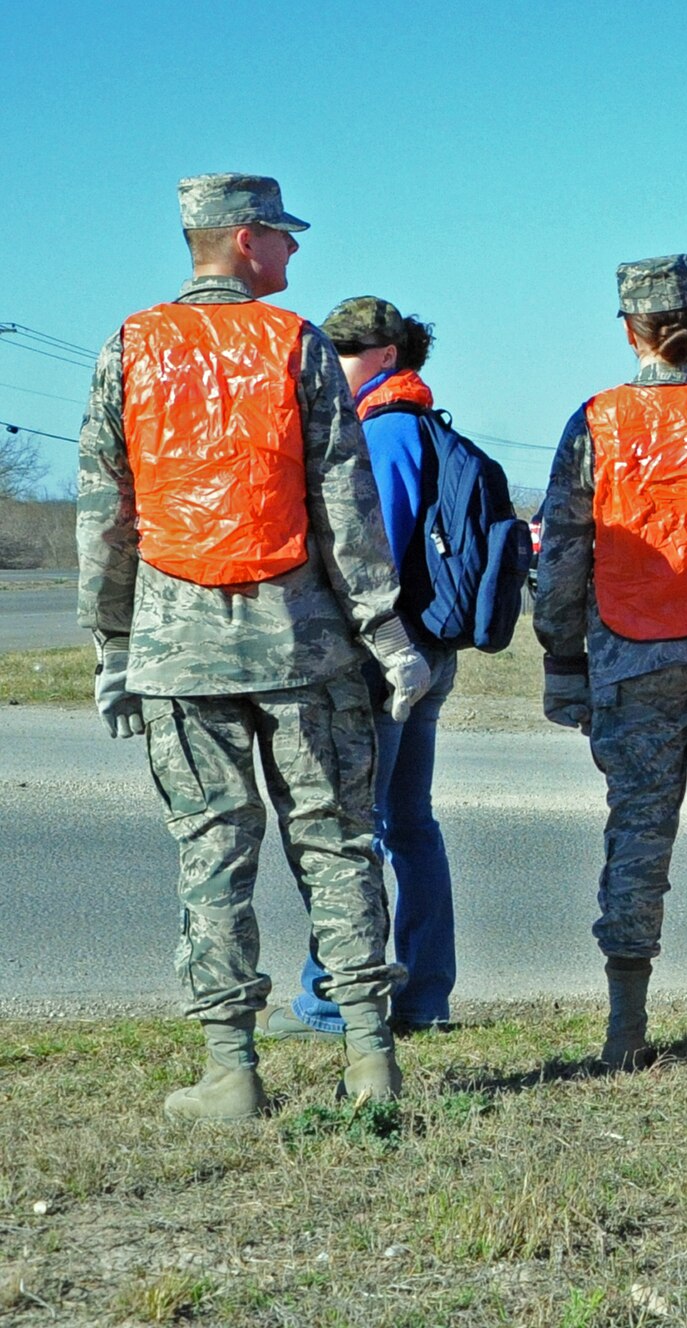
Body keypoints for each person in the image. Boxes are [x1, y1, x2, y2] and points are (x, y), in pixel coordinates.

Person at [76, 173, 427, 1120]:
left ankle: (231, 1070)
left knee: (212, 857)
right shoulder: (297, 345)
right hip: (301, 650)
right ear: (242, 239)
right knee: (338, 845)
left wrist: (114, 644)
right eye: (280, 233)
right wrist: (386, 634)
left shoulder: (129, 346)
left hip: (177, 652)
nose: (292, 248)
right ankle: (370, 1061)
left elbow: (106, 511)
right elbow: (346, 506)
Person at [535, 254, 687, 1072]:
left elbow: (563, 552)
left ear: (628, 329)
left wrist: (560, 657)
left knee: (638, 829)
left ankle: (626, 1030)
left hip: (631, 646)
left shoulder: (595, 422)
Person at [266, 298, 461, 1042]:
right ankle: (425, 997)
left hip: (391, 659)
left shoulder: (383, 429)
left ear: (385, 356)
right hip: (425, 652)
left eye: (345, 352)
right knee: (409, 825)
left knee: (356, 829)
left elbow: (375, 553)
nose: (331, 365)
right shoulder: (422, 421)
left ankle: (330, 1002)